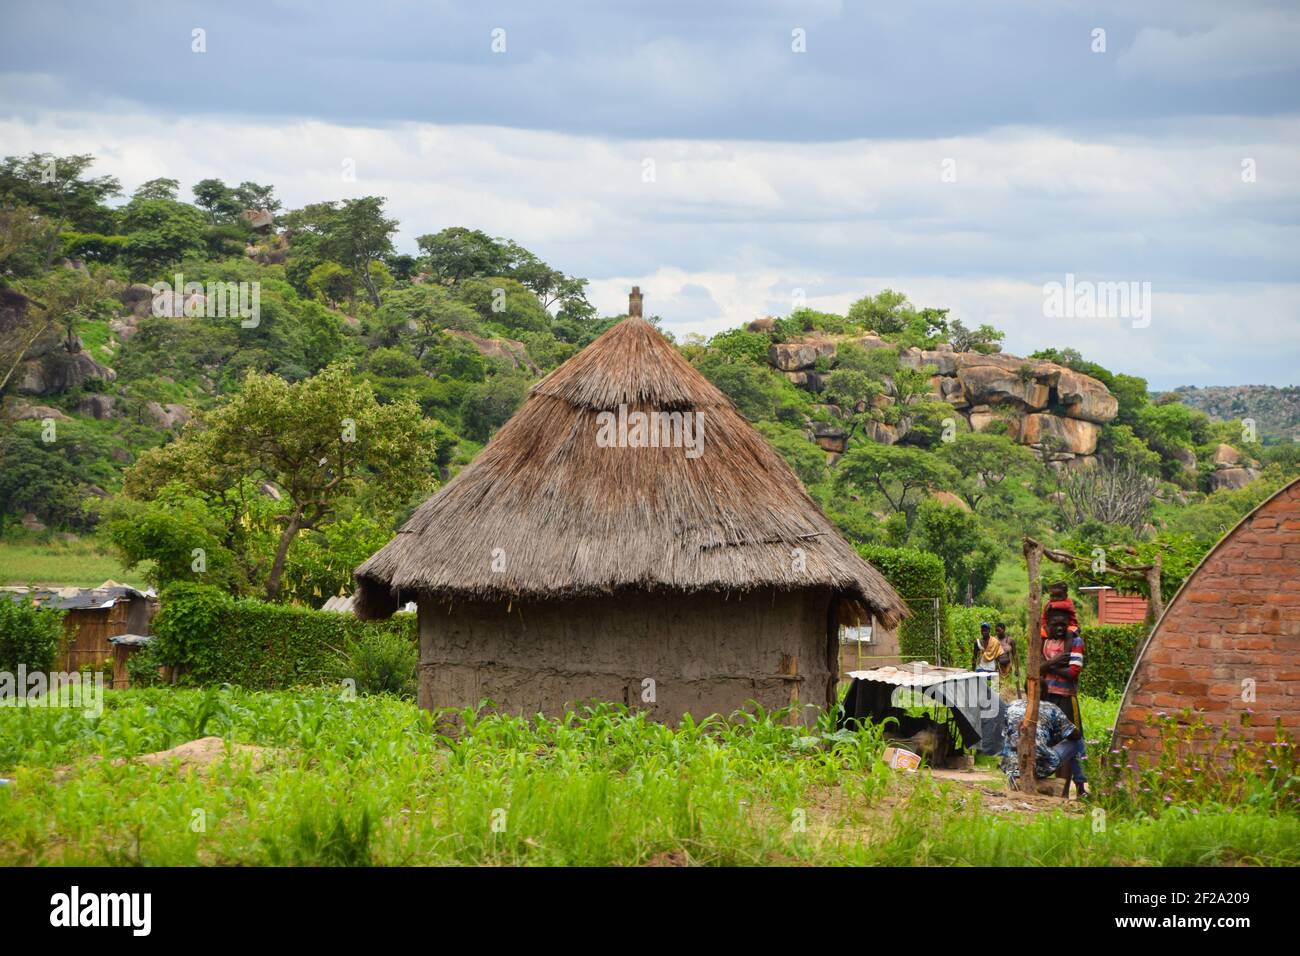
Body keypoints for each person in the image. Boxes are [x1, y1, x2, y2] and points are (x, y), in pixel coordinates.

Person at [1040, 602, 1088, 798]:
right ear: (1048, 625)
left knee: (1071, 739)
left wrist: (1048, 667)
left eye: (1063, 624)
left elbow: (1074, 671)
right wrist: (1056, 663)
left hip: (1067, 699)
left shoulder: (1076, 642)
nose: (1059, 628)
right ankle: (1059, 791)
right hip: (1048, 699)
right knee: (1052, 741)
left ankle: (1074, 789)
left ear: (1068, 623)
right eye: (1055, 624)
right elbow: (1036, 667)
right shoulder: (1044, 643)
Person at [1001, 695, 1083, 796]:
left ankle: (1014, 778)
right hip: (1040, 767)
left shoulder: (1011, 706)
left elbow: (1005, 734)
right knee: (1078, 740)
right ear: (1046, 692)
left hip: (1012, 767)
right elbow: (1075, 734)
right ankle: (1081, 785)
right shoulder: (1051, 708)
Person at [994, 622, 1019, 700]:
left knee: (1007, 686)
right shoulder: (994, 640)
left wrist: (1017, 669)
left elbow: (1015, 655)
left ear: (1004, 630)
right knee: (999, 686)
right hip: (998, 666)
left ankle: (1007, 700)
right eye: (996, 630)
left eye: (999, 630)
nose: (997, 632)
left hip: (1008, 666)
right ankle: (1000, 701)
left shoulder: (1010, 640)